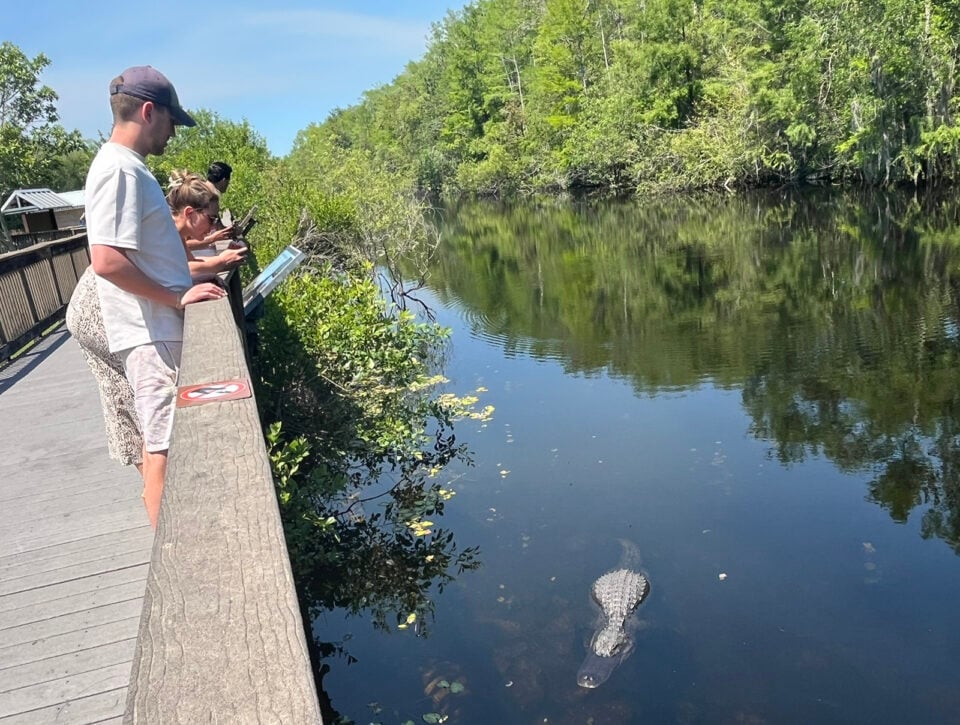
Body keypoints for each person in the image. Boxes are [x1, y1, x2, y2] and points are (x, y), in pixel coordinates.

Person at [85, 65, 226, 528]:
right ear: (148, 112)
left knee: (162, 445)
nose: (173, 132)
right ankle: (174, 558)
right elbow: (106, 260)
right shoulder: (120, 169)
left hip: (154, 331)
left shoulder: (128, 169)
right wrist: (175, 298)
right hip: (150, 334)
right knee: (163, 451)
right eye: (171, 121)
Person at [67, 172, 247, 482]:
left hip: (108, 308)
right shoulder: (162, 227)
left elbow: (185, 265)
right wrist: (218, 266)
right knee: (130, 411)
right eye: (212, 218)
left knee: (135, 413)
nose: (214, 226)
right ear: (190, 214)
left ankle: (156, 484)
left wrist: (214, 266)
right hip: (98, 310)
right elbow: (177, 269)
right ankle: (158, 492)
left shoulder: (174, 230)